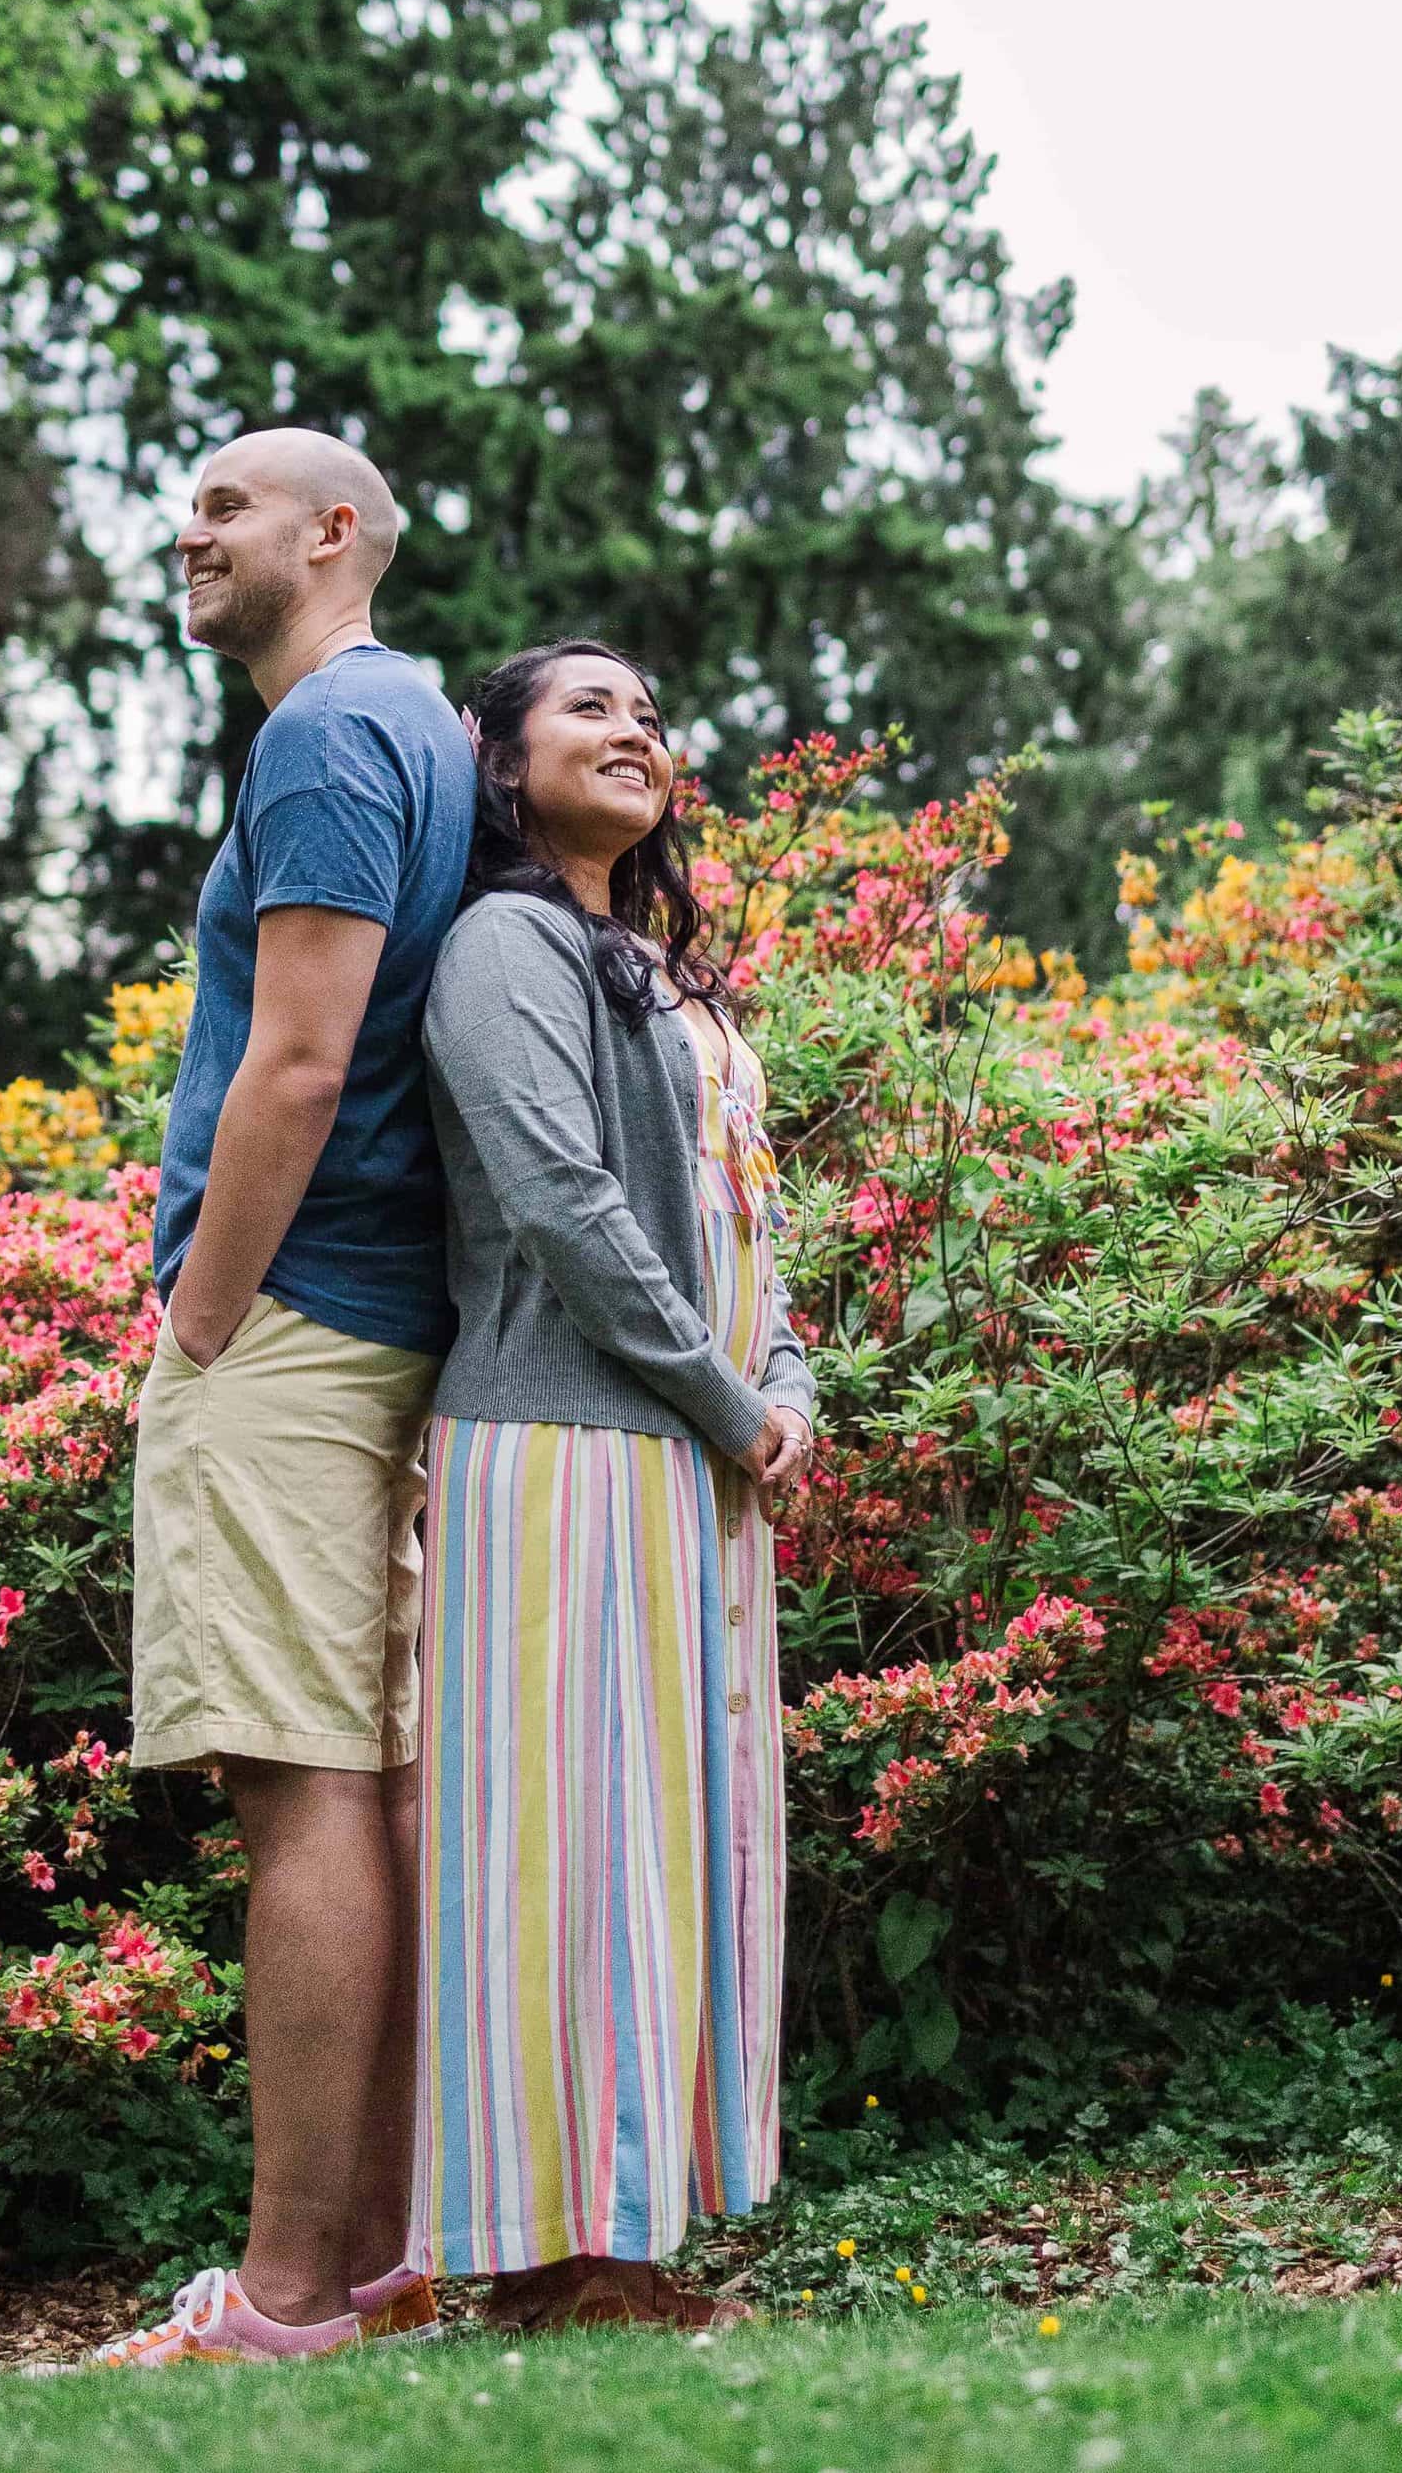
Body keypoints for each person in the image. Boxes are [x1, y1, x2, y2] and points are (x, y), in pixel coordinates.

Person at [96, 430, 475, 2372]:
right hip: (384, 1316)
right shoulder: (420, 726)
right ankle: (387, 2259)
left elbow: (299, 1066)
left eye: (227, 503)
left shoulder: (328, 734)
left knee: (298, 1784)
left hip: (295, 1322)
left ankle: (284, 2302)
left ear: (334, 536)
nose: (190, 528)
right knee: (375, 1785)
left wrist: (198, 1317)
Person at [407, 639, 816, 2333]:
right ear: (504, 764)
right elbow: (566, 1208)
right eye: (589, 707)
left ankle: (633, 2234)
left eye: (652, 711)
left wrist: (783, 1382)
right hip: (564, 1451)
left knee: (680, 1847)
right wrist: (732, 1400)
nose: (635, 728)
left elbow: (747, 1227)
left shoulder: (667, 975)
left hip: (693, 1462)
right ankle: (564, 2255)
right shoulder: (504, 944)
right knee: (569, 1851)